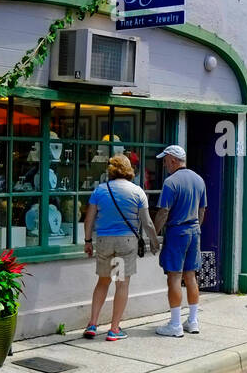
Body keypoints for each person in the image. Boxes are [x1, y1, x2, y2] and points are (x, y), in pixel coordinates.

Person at [82, 155, 158, 342]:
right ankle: (114, 329)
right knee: (121, 283)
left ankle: (92, 323)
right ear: (129, 170)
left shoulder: (100, 190)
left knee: (103, 281)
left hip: (104, 241)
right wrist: (154, 241)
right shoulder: (137, 191)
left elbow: (89, 219)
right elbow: (146, 222)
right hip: (125, 243)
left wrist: (88, 241)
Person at [152, 145, 207, 337]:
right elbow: (202, 210)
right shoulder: (199, 180)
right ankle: (193, 321)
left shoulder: (170, 182)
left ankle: (175, 324)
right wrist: (196, 228)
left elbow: (163, 212)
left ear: (173, 160)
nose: (165, 164)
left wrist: (153, 235)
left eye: (166, 160)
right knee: (190, 276)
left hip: (177, 231)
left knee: (174, 277)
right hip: (194, 230)